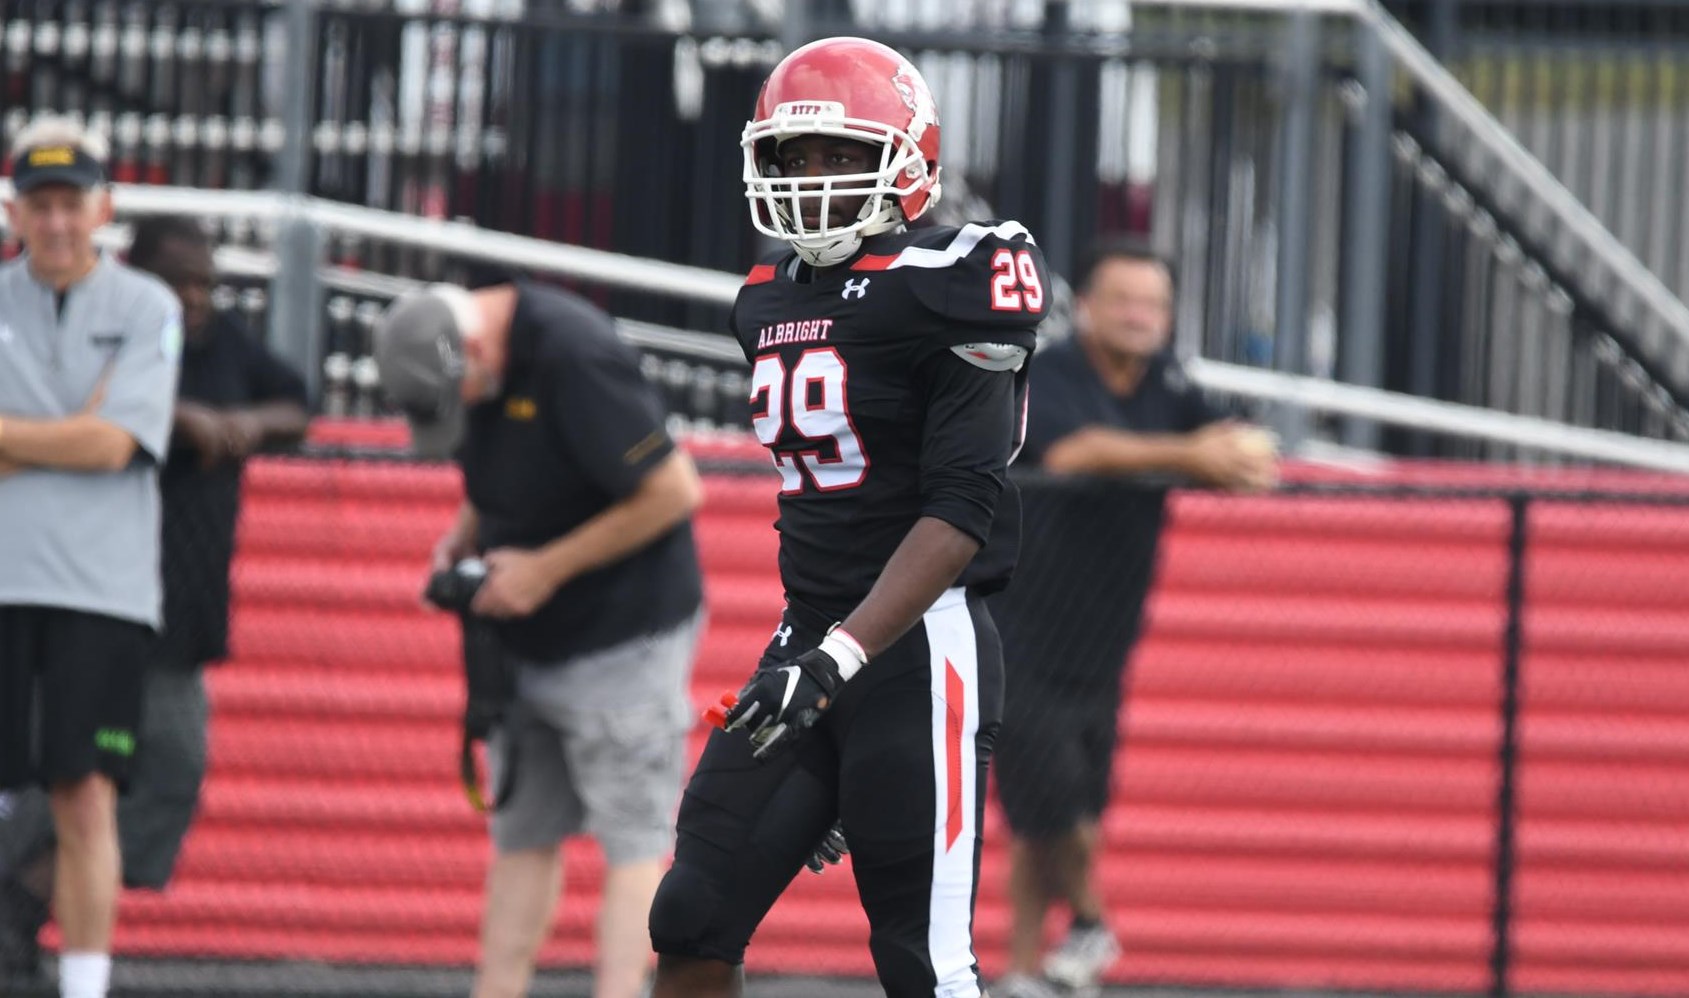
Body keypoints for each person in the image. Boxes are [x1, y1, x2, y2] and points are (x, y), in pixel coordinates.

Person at [648, 36, 1050, 998]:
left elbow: (960, 509)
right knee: (692, 913)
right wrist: (815, 662)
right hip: (807, 649)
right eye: (793, 156)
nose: (812, 178)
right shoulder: (762, 300)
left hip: (918, 648)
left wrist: (840, 659)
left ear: (909, 159)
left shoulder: (959, 273)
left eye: (839, 153)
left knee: (923, 965)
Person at [0, 215, 313, 982]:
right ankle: (19, 910)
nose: (195, 297)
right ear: (138, 273)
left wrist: (241, 423)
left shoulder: (216, 342)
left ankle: (23, 902)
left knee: (150, 774)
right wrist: (169, 419)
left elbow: (296, 403)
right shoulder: (110, 326)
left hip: (177, 607)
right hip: (84, 585)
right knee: (65, 771)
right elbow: (97, 427)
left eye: (207, 281)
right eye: (180, 280)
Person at [373, 276, 705, 998]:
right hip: (523, 645)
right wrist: (461, 542)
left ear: (475, 350)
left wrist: (545, 570)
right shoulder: (470, 369)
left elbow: (676, 490)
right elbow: (490, 466)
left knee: (633, 846)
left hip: (624, 633)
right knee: (521, 838)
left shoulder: (574, 357)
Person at [988, 240, 1279, 998]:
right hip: (1018, 626)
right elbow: (1076, 453)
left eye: (1153, 303)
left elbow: (1242, 449)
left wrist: (1235, 452)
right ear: (1085, 305)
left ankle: (1024, 971)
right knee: (1053, 801)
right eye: (1123, 300)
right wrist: (1191, 455)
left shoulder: (1172, 383)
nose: (1139, 316)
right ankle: (1090, 920)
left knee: (1050, 817)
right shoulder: (1048, 372)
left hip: (1106, 637)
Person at [0, 117, 183, 998]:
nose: (58, 220)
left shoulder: (150, 306)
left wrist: (19, 438)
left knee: (84, 797)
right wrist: (82, 426)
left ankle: (84, 989)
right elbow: (101, 434)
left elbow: (119, 448)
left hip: (103, 593)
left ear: (102, 207)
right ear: (15, 211)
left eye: (72, 202)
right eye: (41, 203)